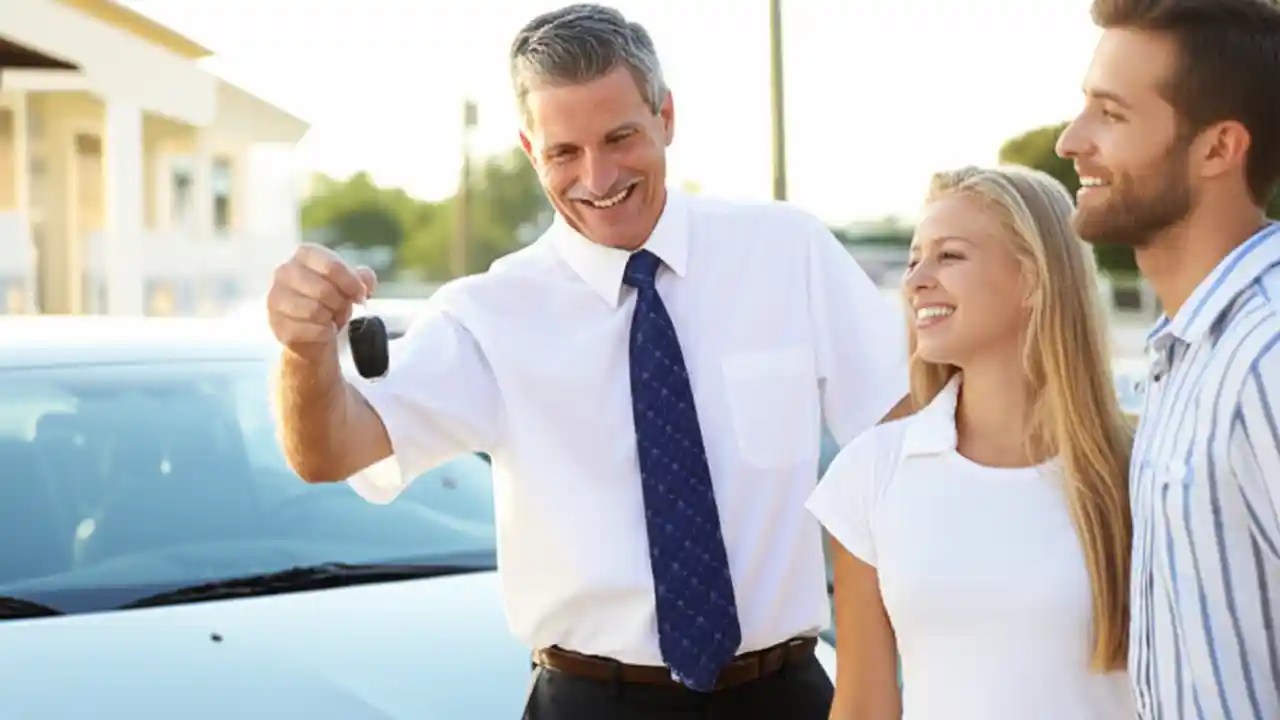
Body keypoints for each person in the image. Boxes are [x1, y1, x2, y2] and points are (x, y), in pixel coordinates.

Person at [265, 4, 909, 718]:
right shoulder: (488, 314)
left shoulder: (788, 251)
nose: (597, 177)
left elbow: (902, 441)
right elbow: (330, 452)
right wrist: (303, 352)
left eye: (620, 137)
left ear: (666, 116)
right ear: (528, 148)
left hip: (788, 694)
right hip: (591, 701)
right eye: (563, 152)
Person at [805, 165, 1137, 719]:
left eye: (949, 256)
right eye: (914, 260)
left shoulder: (1138, 467)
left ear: (1033, 279)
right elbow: (864, 704)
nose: (915, 281)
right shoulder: (871, 473)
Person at [1055, 1, 1280, 717]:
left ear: (1217, 149)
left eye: (1110, 115)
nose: (1069, 140)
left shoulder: (1265, 355)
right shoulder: (1188, 353)